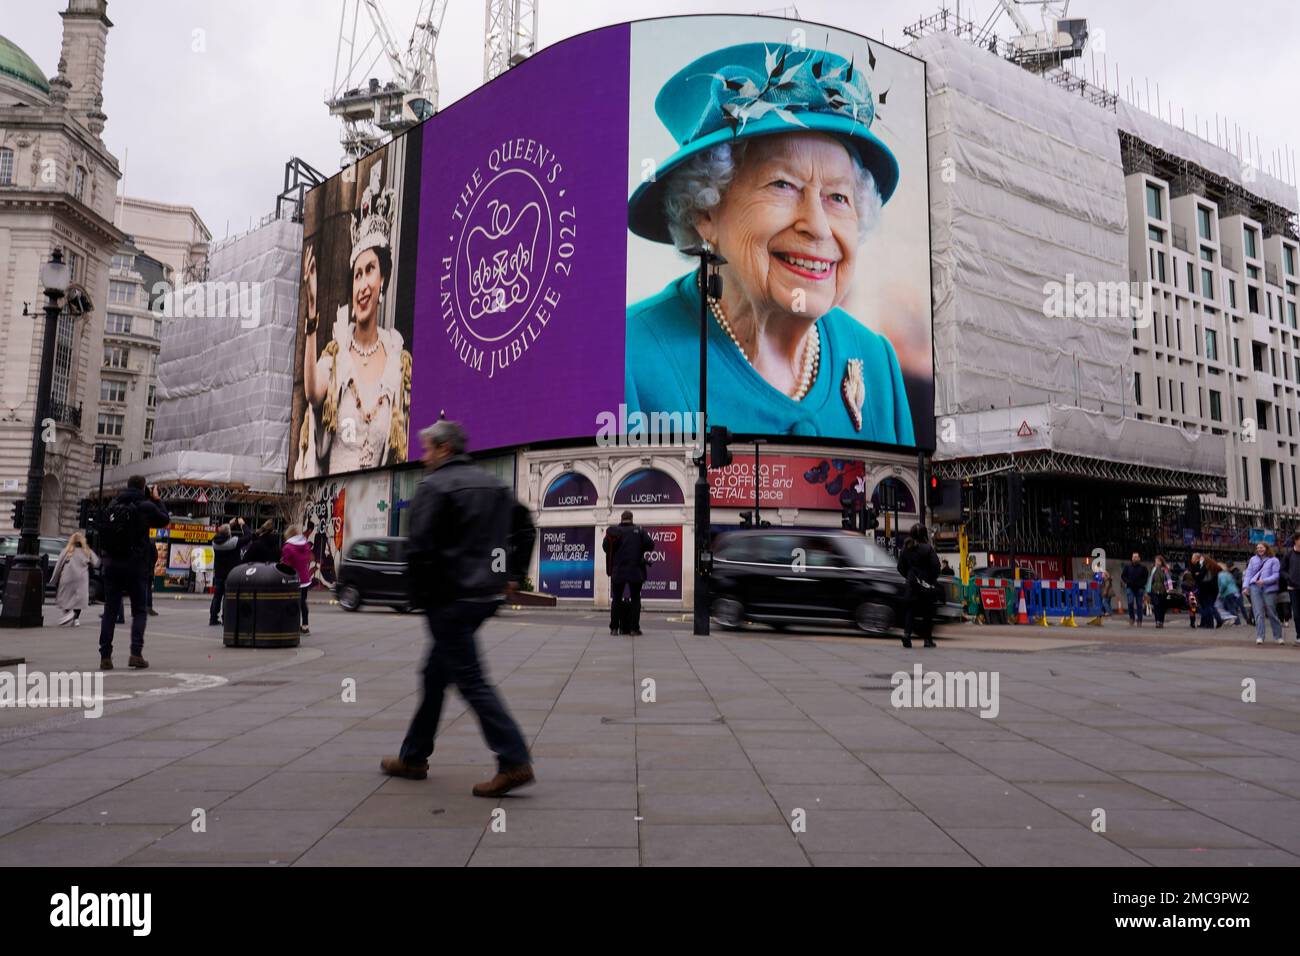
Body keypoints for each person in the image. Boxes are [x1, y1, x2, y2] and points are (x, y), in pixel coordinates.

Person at [626, 42, 913, 442]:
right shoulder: (629, 361)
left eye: (838, 197)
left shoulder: (877, 364)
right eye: (783, 184)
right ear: (704, 212)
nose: (818, 227)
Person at [381, 420, 538, 798]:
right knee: (435, 674)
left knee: (470, 679)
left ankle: (514, 760)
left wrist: (418, 597)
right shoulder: (496, 486)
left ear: (444, 449)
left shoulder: (435, 486)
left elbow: (420, 549)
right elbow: (524, 529)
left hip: (449, 599)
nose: (423, 458)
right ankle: (414, 756)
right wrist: (510, 573)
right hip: (484, 597)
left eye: (427, 450)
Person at [297, 162, 412, 478]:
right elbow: (312, 393)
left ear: (383, 280)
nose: (362, 285)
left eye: (370, 271)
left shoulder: (398, 365)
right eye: (357, 274)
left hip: (376, 502)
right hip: (335, 502)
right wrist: (311, 316)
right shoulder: (336, 358)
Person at [97, 476, 169, 670]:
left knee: (110, 611)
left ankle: (105, 656)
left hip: (112, 562)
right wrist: (156, 498)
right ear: (143, 487)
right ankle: (135, 653)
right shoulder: (145, 506)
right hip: (135, 564)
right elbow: (164, 519)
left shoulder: (113, 504)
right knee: (139, 610)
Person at [603, 511, 654, 636]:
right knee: (636, 599)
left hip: (618, 570)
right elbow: (651, 545)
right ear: (631, 518)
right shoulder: (639, 531)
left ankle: (614, 628)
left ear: (621, 519)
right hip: (635, 570)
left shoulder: (614, 532)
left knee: (616, 599)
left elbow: (605, 547)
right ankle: (633, 628)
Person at [896, 523, 940, 649]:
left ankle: (907, 635)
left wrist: (909, 577)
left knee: (910, 611)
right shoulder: (928, 548)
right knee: (927, 613)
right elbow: (936, 567)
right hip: (925, 585)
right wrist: (931, 579)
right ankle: (927, 639)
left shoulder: (906, 548)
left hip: (911, 585)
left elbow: (900, 567)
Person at [51, 532, 98, 627]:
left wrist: (54, 579)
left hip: (67, 577)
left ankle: (69, 614)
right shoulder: (87, 551)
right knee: (78, 600)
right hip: (81, 578)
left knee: (64, 597)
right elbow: (96, 562)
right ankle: (76, 618)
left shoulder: (66, 550)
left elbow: (58, 566)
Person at [1243, 541, 1283, 645]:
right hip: (1255, 587)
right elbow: (1248, 574)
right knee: (1258, 613)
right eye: (1258, 548)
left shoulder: (1274, 560)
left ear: (1266, 548)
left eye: (1262, 547)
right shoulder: (1252, 559)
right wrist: (1246, 586)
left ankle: (1278, 636)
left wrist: (1264, 581)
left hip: (1269, 588)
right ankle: (1260, 636)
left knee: (1271, 612)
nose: (1259, 549)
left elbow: (1276, 575)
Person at [281, 525, 314, 636]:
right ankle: (305, 625)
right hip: (305, 579)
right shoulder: (305, 545)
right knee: (302, 602)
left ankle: (292, 625)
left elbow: (286, 565)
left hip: (292, 579)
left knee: (290, 602)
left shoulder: (288, 547)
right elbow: (308, 559)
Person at [209, 522, 242, 626]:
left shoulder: (215, 543)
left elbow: (218, 534)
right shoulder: (233, 543)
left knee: (217, 596)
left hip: (219, 574)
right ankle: (226, 618)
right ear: (229, 534)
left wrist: (228, 526)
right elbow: (248, 536)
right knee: (227, 597)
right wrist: (242, 525)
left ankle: (213, 618)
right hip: (230, 574)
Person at [1189, 553, 1222, 629]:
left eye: (1201, 559)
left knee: (1207, 607)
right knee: (1208, 606)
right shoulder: (1212, 567)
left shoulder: (1206, 567)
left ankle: (1210, 623)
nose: (1200, 560)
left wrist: (1197, 574)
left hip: (1206, 589)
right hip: (1212, 590)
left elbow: (1199, 577)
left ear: (1206, 560)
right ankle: (1208, 622)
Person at [1280, 533, 1300, 645]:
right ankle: (1299, 636)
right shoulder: (1288, 555)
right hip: (1293, 588)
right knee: (1297, 614)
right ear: (1296, 541)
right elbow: (1282, 570)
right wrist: (1289, 578)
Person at [1120, 553, 1149, 626]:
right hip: (1130, 588)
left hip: (1140, 588)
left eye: (1136, 557)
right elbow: (1123, 576)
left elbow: (1145, 578)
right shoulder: (1128, 567)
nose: (1135, 558)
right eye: (1134, 557)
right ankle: (1132, 618)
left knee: (1139, 604)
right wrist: (1127, 582)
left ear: (1139, 558)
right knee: (1130, 602)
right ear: (1132, 558)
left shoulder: (1143, 568)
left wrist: (1142, 584)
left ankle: (1139, 620)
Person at [1147, 555, 1173, 628]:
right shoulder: (1153, 569)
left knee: (1162, 607)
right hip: (1154, 590)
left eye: (1158, 561)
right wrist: (1148, 590)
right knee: (1156, 606)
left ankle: (1161, 621)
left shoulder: (1165, 570)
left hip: (1163, 590)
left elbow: (1168, 580)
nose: (1157, 562)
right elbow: (1150, 580)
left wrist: (1169, 590)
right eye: (1156, 561)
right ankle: (1157, 621)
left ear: (1161, 562)